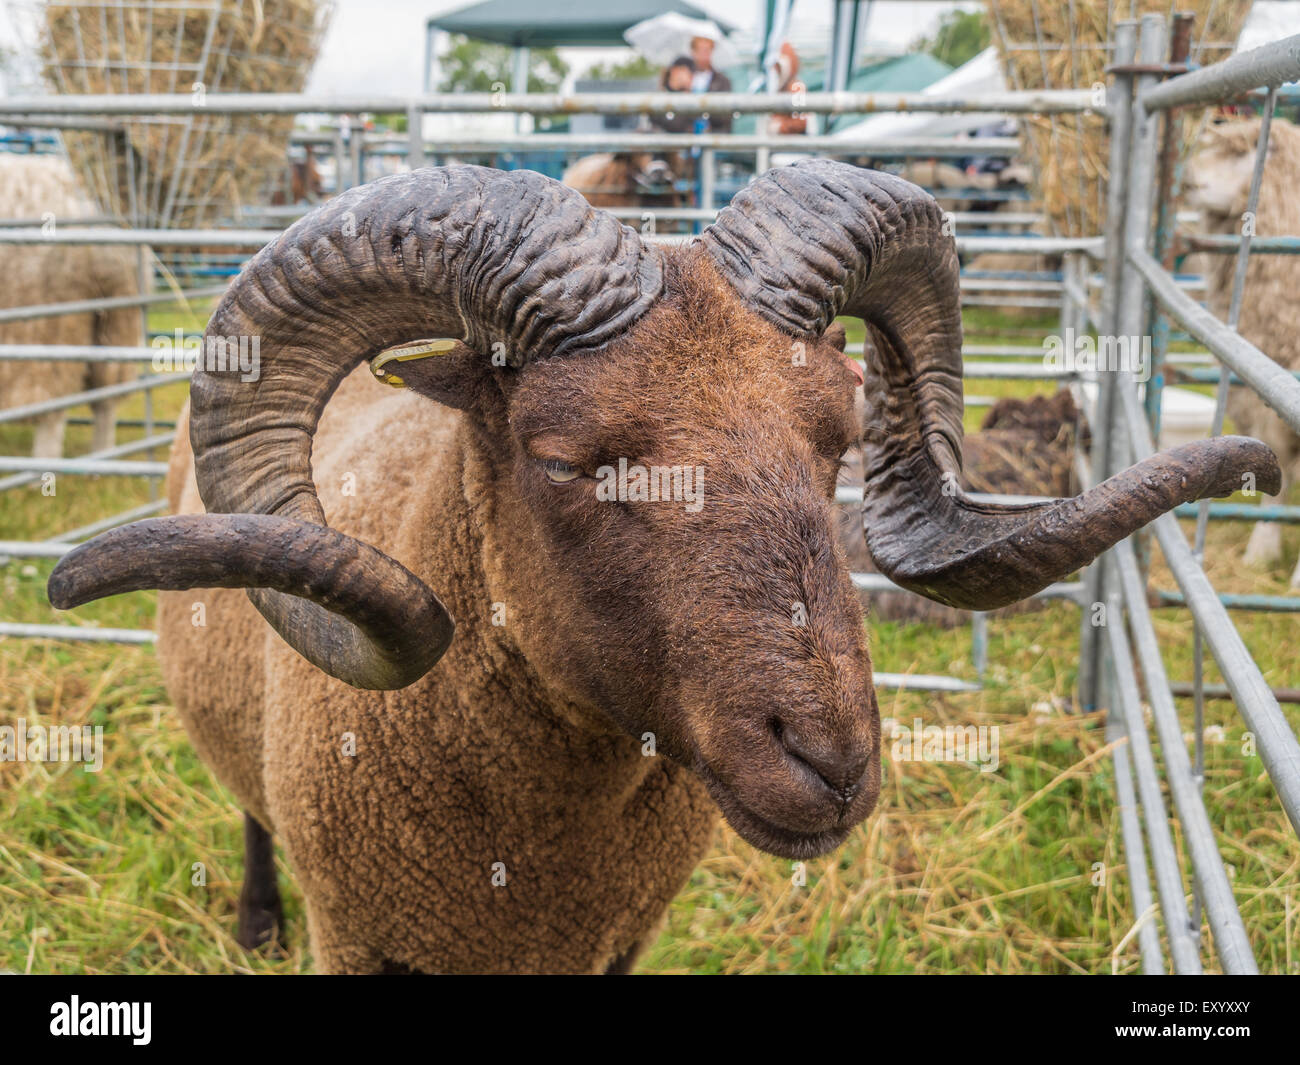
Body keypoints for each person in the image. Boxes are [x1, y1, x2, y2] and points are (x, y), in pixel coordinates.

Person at [688, 35, 732, 133]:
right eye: (700, 50)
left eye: (707, 50)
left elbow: (725, 114)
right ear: (693, 52)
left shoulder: (722, 81)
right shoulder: (686, 77)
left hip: (712, 134)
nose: (704, 55)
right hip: (688, 135)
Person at [768, 42, 807, 136]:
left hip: (794, 144)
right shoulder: (780, 89)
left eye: (780, 67)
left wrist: (780, 127)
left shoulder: (797, 87)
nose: (777, 71)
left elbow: (800, 122)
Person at [651, 56, 696, 134]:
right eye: (690, 73)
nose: (692, 78)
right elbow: (674, 126)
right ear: (675, 70)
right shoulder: (658, 98)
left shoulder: (689, 97)